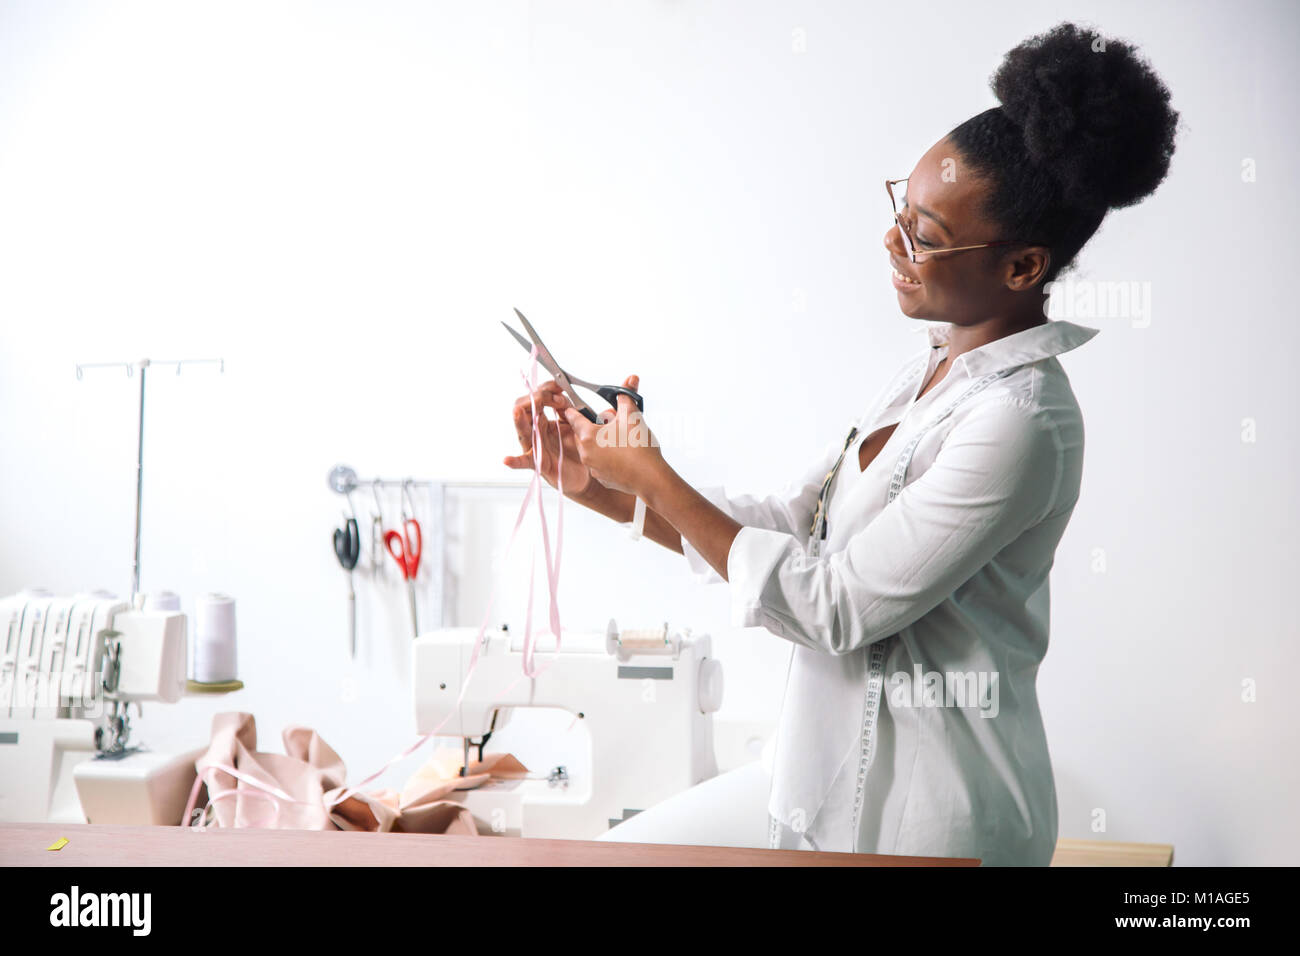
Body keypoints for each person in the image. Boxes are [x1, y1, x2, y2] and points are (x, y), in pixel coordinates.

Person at [503, 21, 1179, 865]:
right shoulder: (924, 375)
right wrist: (605, 487)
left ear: (1022, 267)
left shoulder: (1023, 423)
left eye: (925, 236)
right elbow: (788, 528)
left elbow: (836, 607)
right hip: (818, 780)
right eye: (900, 213)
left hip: (932, 821)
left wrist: (656, 476)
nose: (892, 244)